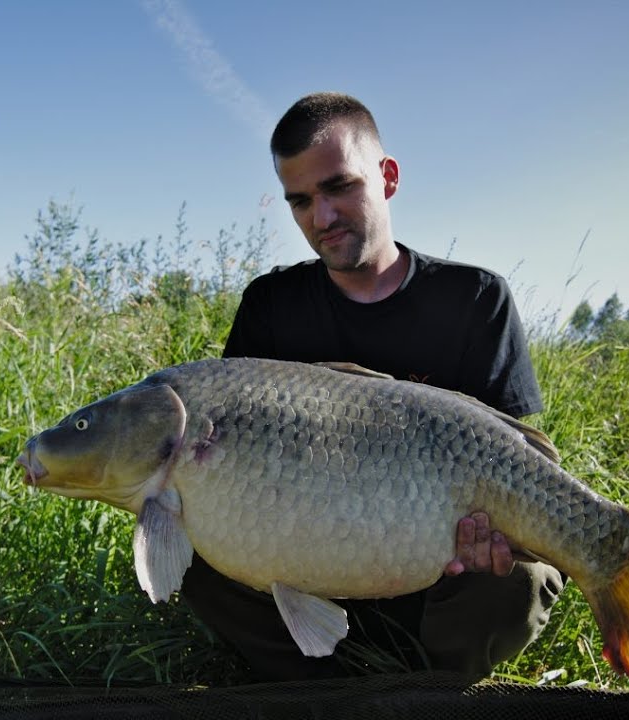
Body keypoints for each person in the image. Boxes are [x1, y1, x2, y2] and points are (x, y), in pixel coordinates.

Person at [179, 91, 565, 682]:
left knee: (521, 578)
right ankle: (324, 688)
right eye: (301, 201)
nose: (322, 218)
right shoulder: (272, 306)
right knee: (195, 556)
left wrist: (487, 541)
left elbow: (518, 456)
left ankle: (431, 687)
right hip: (308, 566)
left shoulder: (475, 299)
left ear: (387, 177)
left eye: (339, 188)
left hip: (436, 575)